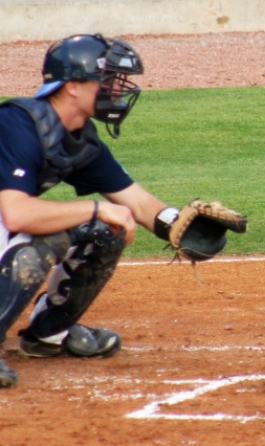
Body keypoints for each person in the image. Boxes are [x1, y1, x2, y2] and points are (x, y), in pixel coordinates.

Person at [0, 35, 197, 388]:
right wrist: (96, 208)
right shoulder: (17, 125)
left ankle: (49, 335)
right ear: (73, 86)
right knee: (44, 240)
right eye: (108, 80)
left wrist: (176, 224)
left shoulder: (78, 138)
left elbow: (134, 201)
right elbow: (16, 215)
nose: (118, 90)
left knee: (106, 230)